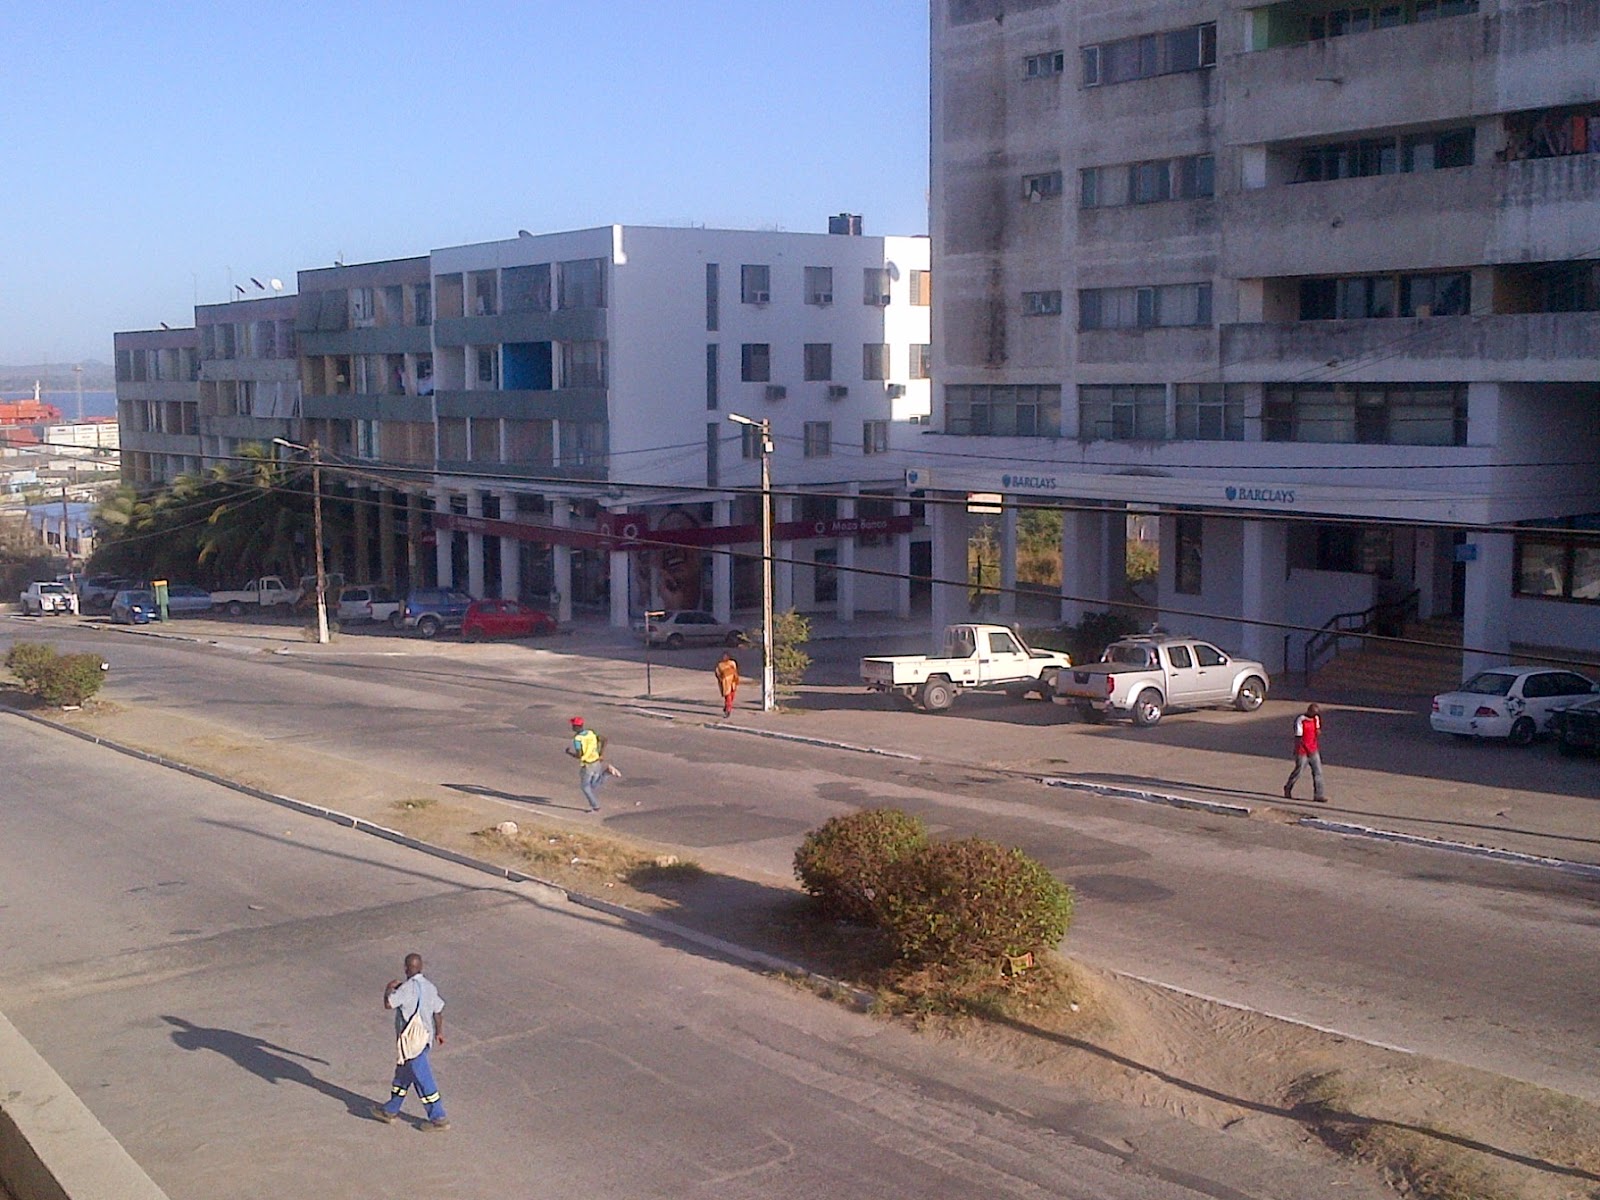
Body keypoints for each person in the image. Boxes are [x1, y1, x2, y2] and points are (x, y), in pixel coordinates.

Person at [372, 952, 449, 1129]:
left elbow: (388, 1004)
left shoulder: (406, 989)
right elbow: (438, 1011)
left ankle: (439, 1118)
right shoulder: (430, 987)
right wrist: (439, 1033)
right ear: (421, 967)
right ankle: (390, 1110)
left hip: (411, 1043)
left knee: (423, 1079)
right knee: (402, 1077)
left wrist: (389, 988)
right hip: (424, 1039)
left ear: (406, 968)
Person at [566, 715, 620, 812]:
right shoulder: (591, 732)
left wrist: (569, 753)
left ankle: (595, 806)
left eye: (573, 725)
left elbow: (579, 755)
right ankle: (607, 773)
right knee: (593, 785)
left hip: (587, 765)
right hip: (596, 762)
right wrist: (600, 753)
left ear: (576, 726)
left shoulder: (578, 739)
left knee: (585, 787)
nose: (572, 727)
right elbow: (604, 739)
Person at [1283, 703, 1327, 803]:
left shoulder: (1316, 719)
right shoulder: (1301, 720)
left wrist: (1318, 732)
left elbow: (1317, 730)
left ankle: (1318, 795)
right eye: (1312, 713)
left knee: (1318, 772)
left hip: (1313, 749)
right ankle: (1288, 787)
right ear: (1308, 711)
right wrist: (1300, 750)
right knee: (1298, 771)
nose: (1314, 716)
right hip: (1302, 751)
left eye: (1316, 714)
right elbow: (1299, 737)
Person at [714, 651, 741, 718]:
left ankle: (726, 707)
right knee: (728, 698)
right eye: (724, 657)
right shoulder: (720, 665)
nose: (725, 658)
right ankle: (728, 711)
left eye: (726, 656)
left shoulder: (732, 663)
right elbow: (717, 674)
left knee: (732, 697)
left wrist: (736, 679)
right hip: (725, 684)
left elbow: (735, 671)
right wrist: (721, 680)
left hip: (732, 683)